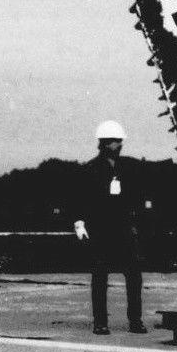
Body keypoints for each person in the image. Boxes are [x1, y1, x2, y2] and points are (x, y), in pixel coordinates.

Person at [74, 120, 148, 335]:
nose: (119, 145)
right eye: (115, 141)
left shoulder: (129, 167)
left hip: (125, 229)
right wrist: (79, 223)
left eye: (120, 141)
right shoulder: (90, 169)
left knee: (134, 275)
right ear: (105, 143)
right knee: (99, 276)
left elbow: (137, 196)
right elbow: (80, 199)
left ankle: (135, 320)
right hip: (101, 230)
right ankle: (100, 322)